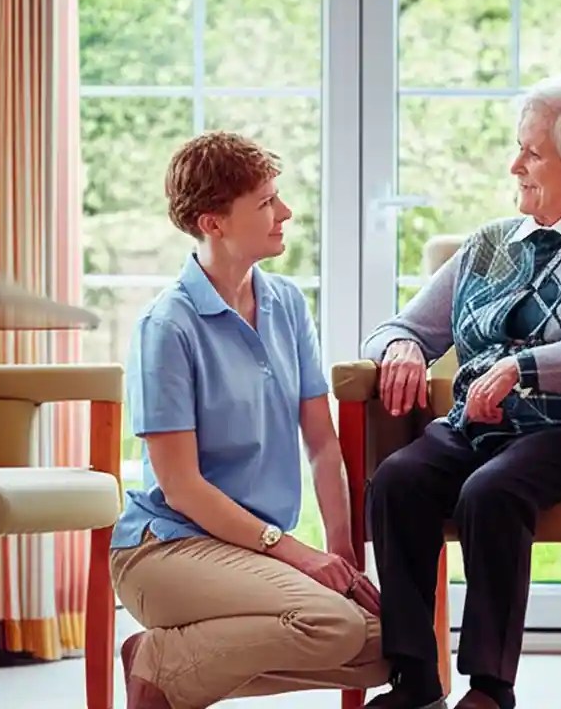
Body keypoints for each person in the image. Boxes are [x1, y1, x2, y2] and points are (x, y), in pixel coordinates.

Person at [361, 75, 561, 709]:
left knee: (492, 492)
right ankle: (414, 681)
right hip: (472, 425)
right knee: (396, 480)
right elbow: (401, 327)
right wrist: (398, 348)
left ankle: (489, 687)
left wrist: (525, 367)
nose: (515, 165)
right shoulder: (489, 243)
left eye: (531, 153)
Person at [110, 131, 389, 709]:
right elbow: (182, 487)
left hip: (251, 554)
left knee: (389, 645)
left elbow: (322, 445)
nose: (284, 212)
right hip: (168, 550)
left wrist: (342, 553)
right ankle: (159, 661)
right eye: (265, 202)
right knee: (333, 628)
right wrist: (296, 553)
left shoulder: (286, 304)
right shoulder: (168, 326)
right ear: (212, 222)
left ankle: (169, 670)